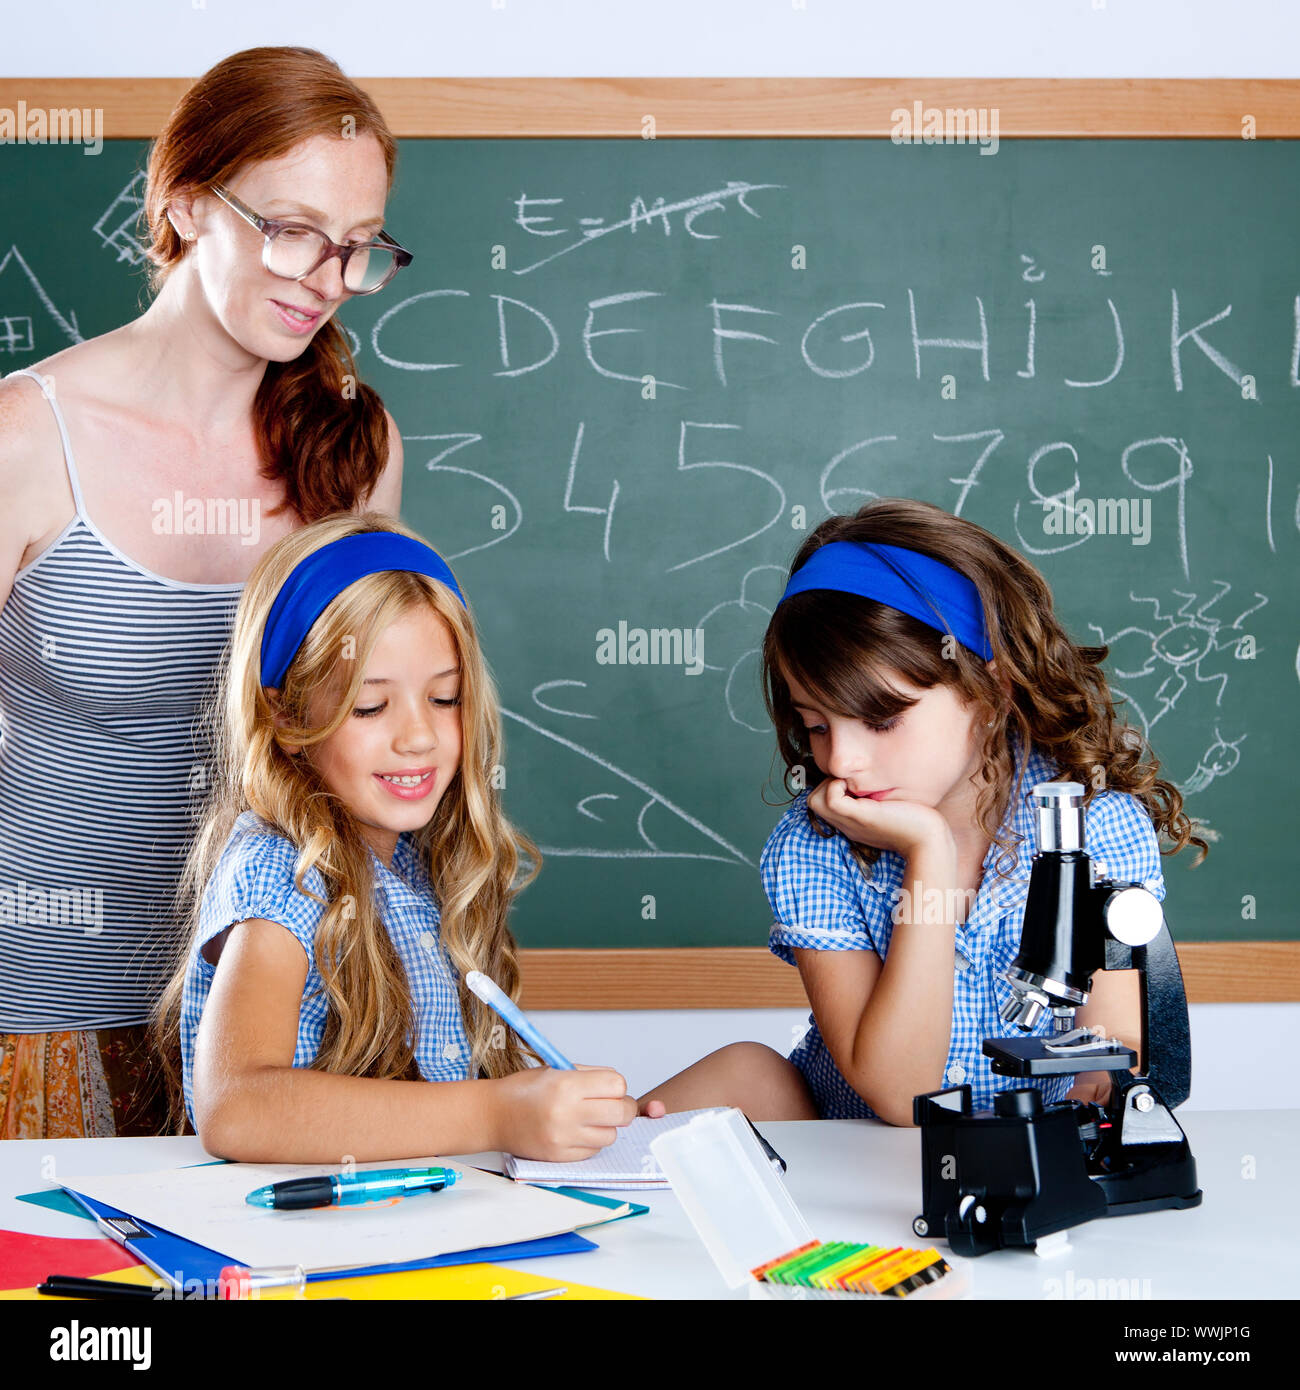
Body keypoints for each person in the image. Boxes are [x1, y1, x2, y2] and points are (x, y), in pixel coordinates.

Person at [0, 46, 411, 1137]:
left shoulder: (354, 454)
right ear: (186, 204)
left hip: (277, 1021)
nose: (325, 277)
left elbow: (384, 739)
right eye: (291, 229)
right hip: (39, 1015)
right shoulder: (28, 437)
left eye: (359, 249)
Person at [639, 497, 1207, 1124]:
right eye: (816, 725)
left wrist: (1095, 1096)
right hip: (849, 1153)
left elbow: (1113, 1054)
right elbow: (903, 1096)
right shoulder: (813, 847)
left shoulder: (1093, 825)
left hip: (1030, 1142)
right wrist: (927, 856)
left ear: (991, 693)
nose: (844, 761)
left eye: (882, 720)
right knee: (747, 1069)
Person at [153, 512, 646, 1163]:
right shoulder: (280, 872)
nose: (418, 737)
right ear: (284, 713)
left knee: (746, 1072)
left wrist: (575, 1114)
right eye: (369, 706)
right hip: (322, 1246)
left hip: (425, 1216)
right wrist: (497, 1114)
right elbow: (236, 1107)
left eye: (444, 700)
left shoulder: (417, 866)